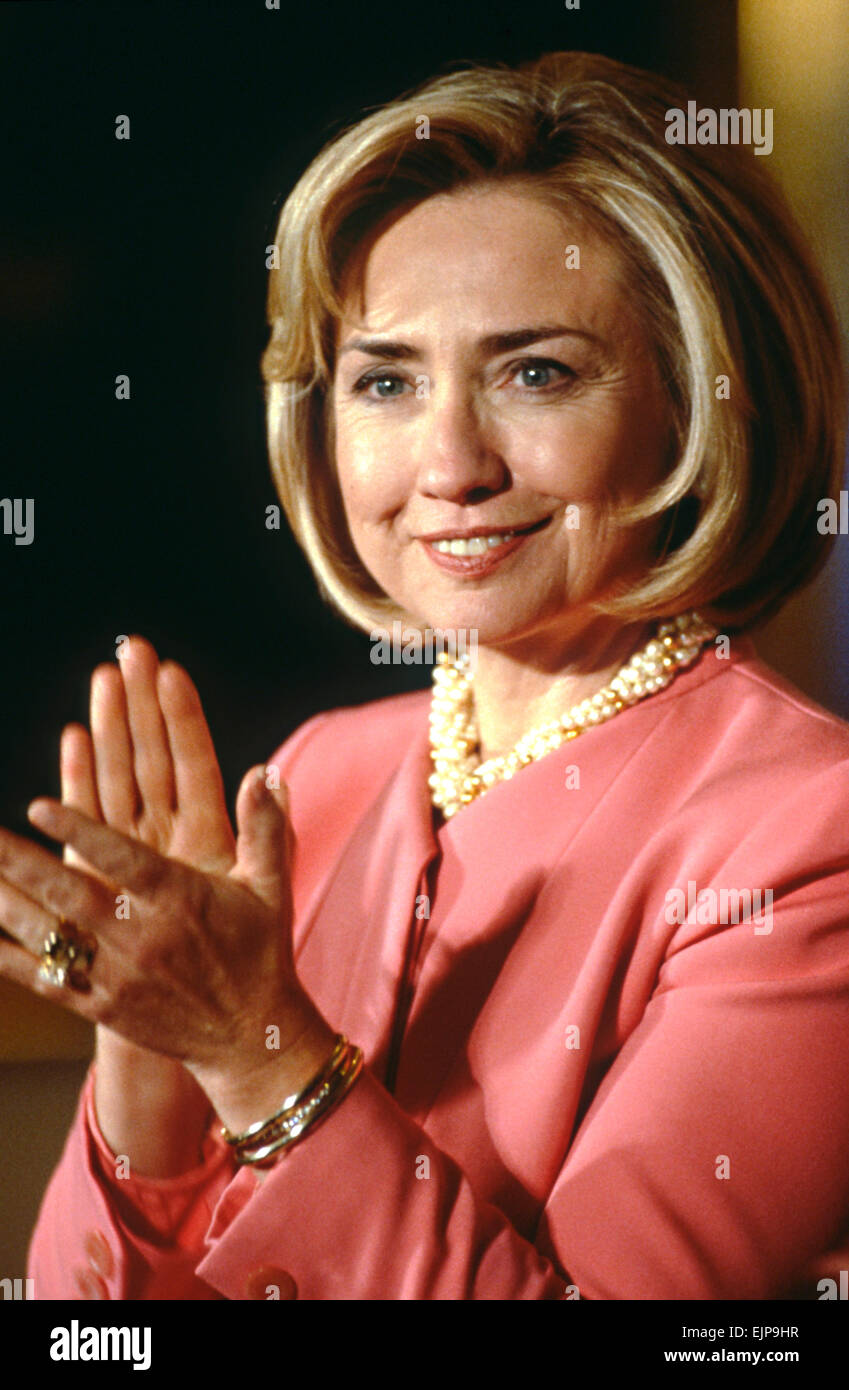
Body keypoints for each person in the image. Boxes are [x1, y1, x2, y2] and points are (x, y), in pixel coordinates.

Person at [3, 50, 848, 1300]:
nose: (450, 464)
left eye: (536, 373)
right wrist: (150, 1050)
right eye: (387, 381)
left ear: (701, 401)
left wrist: (251, 1050)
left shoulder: (810, 835)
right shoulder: (316, 775)